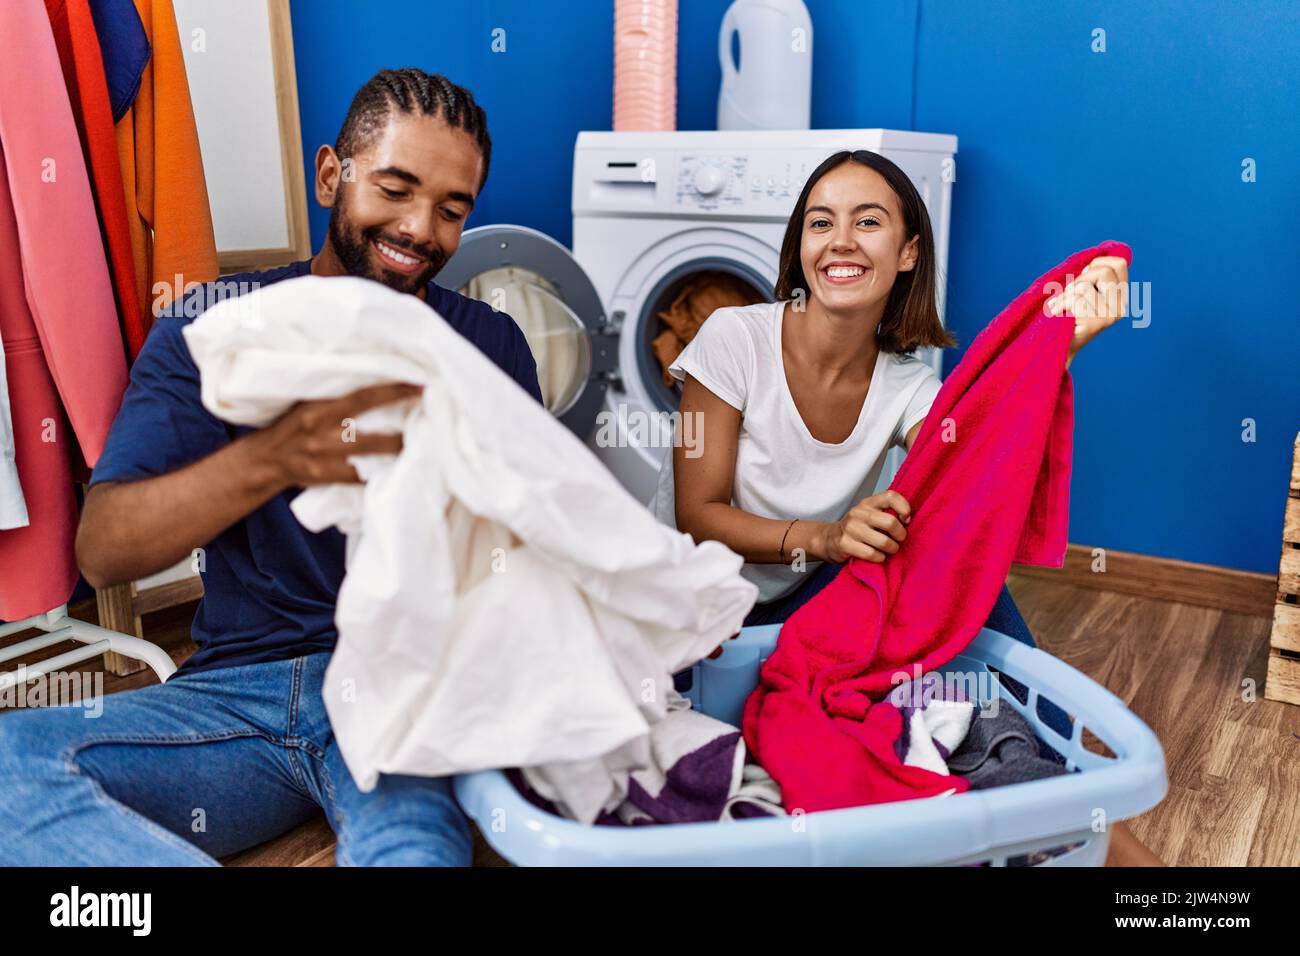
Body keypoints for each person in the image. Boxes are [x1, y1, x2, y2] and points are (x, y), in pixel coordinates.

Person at [0, 68, 540, 867]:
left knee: (415, 854)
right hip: (236, 700)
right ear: (332, 173)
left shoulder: (490, 346)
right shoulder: (212, 323)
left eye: (452, 209)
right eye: (394, 188)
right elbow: (105, 548)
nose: (421, 228)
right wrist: (272, 455)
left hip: (403, 698)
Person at [652, 148, 1163, 866]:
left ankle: (1062, 784)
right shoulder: (735, 339)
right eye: (820, 222)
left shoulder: (909, 386)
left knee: (938, 541)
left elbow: (975, 468)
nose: (841, 241)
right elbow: (697, 515)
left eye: (868, 222)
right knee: (898, 553)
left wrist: (1060, 344)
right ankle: (1063, 782)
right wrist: (829, 538)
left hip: (800, 606)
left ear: (907, 252)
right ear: (800, 248)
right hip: (693, 607)